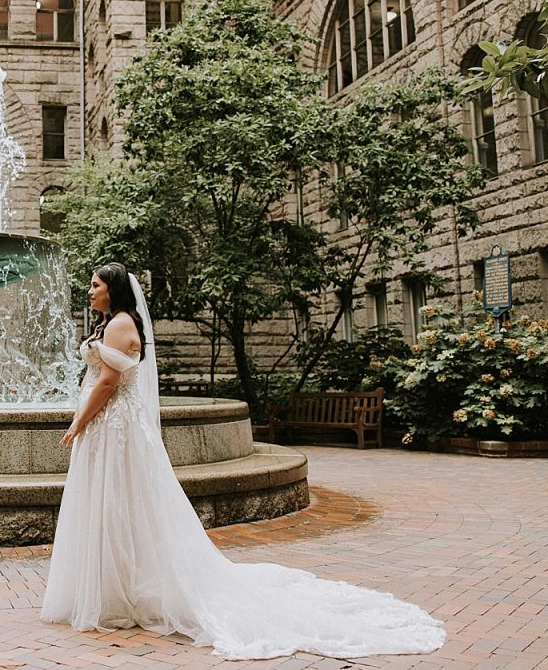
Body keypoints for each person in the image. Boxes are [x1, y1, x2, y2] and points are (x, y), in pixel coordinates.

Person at [41, 262, 446, 660]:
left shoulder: (119, 324)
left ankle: (123, 591)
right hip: (111, 426)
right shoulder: (114, 322)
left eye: (95, 285)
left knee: (122, 502)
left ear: (113, 289)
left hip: (115, 426)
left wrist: (78, 422)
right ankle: (116, 586)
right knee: (117, 503)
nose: (90, 291)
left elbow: (110, 383)